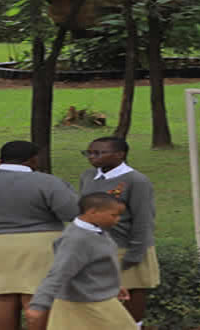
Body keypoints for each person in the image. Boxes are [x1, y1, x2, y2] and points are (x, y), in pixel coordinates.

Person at [0, 140, 79, 330]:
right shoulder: (49, 182)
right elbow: (72, 212)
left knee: (2, 296)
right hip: (40, 246)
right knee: (37, 296)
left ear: (0, 160)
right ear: (33, 160)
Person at [24, 193, 133, 330]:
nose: (117, 220)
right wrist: (38, 305)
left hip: (96, 299)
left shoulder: (96, 231)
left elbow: (100, 264)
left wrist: (113, 284)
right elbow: (59, 273)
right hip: (83, 304)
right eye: (114, 215)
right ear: (93, 212)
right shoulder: (76, 240)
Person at [78, 137, 156, 321]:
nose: (92, 157)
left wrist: (135, 253)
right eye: (89, 153)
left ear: (120, 155)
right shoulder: (88, 176)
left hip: (126, 246)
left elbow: (143, 218)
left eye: (98, 153)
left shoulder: (136, 180)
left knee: (132, 293)